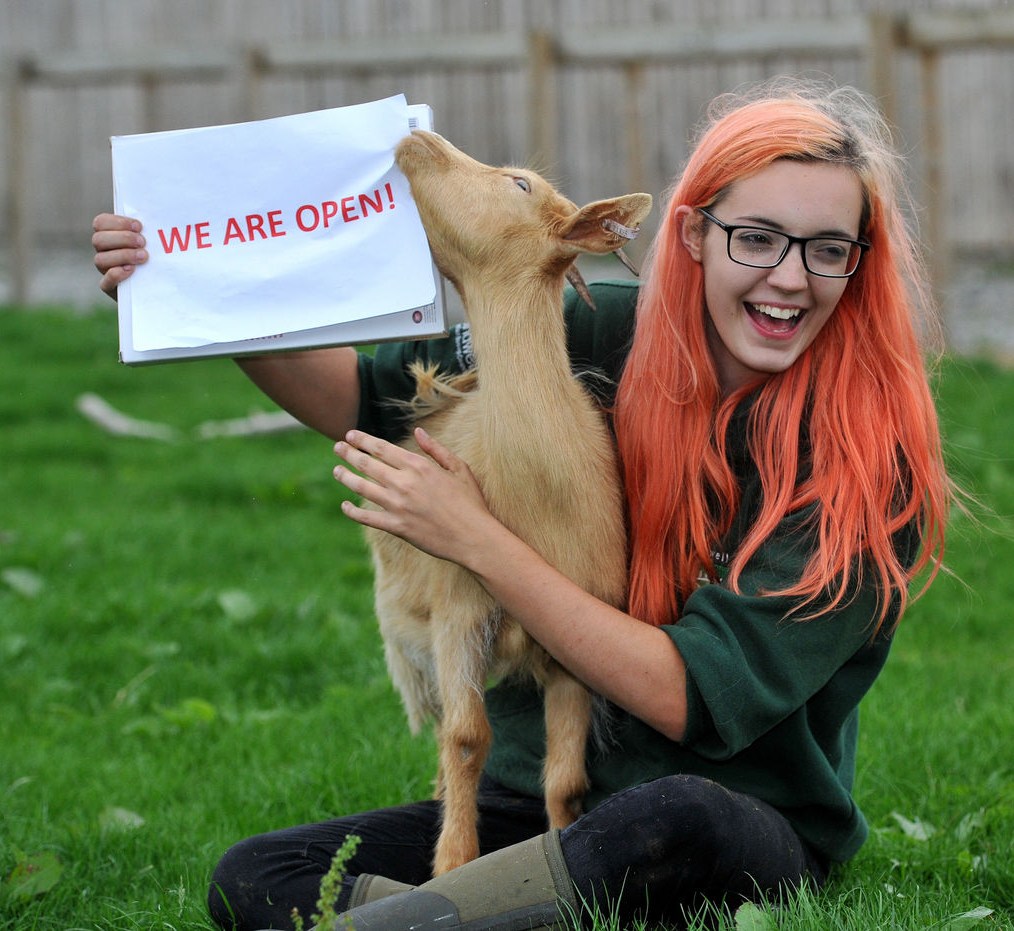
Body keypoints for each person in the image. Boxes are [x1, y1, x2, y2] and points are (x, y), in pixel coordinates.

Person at [93, 78, 954, 930]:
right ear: (694, 234)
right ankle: (488, 916)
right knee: (258, 873)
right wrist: (183, 282)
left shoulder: (868, 469)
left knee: (676, 817)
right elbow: (359, 396)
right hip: (531, 803)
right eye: (757, 238)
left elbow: (690, 694)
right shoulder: (589, 325)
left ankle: (420, 921)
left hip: (736, 823)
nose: (790, 278)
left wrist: (478, 539)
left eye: (826, 248)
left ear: (859, 261)